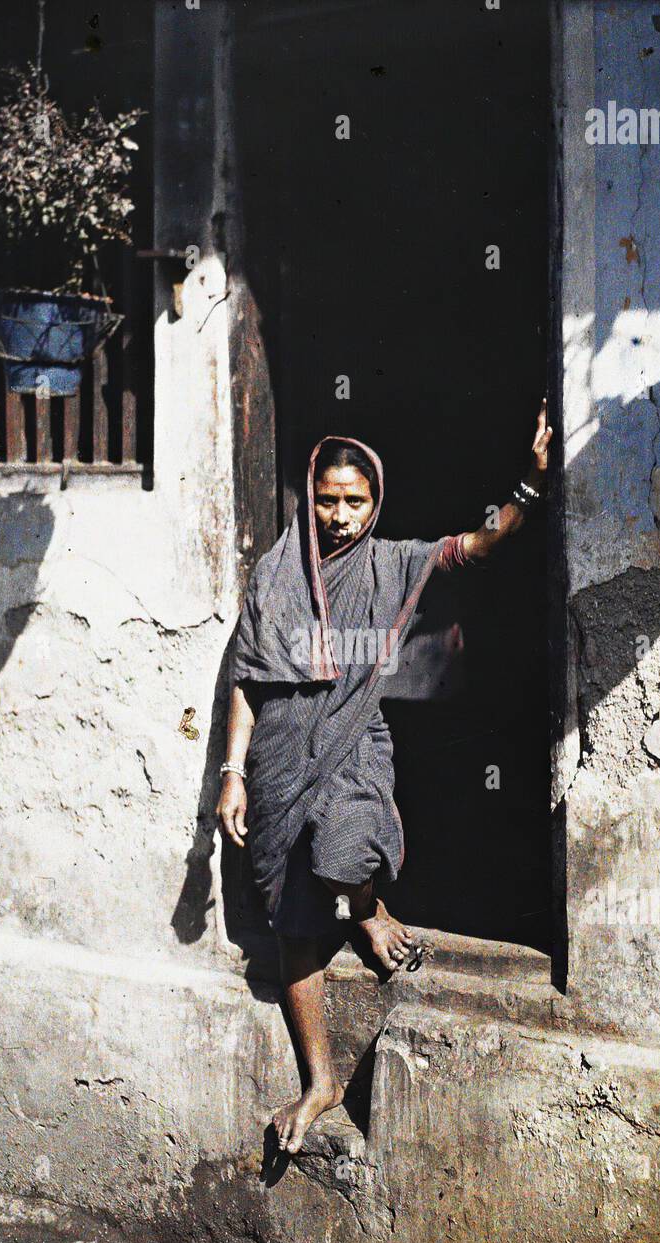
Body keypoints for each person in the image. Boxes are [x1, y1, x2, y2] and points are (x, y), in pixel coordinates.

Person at [217, 402, 552, 1153]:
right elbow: (245, 681)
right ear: (311, 498)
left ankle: (366, 908)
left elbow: (479, 543)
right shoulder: (274, 576)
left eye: (355, 501)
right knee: (294, 924)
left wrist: (528, 483)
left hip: (353, 737)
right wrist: (233, 772)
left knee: (346, 851)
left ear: (376, 502)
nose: (340, 516)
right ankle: (319, 1080)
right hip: (277, 755)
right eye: (328, 500)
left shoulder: (393, 560)